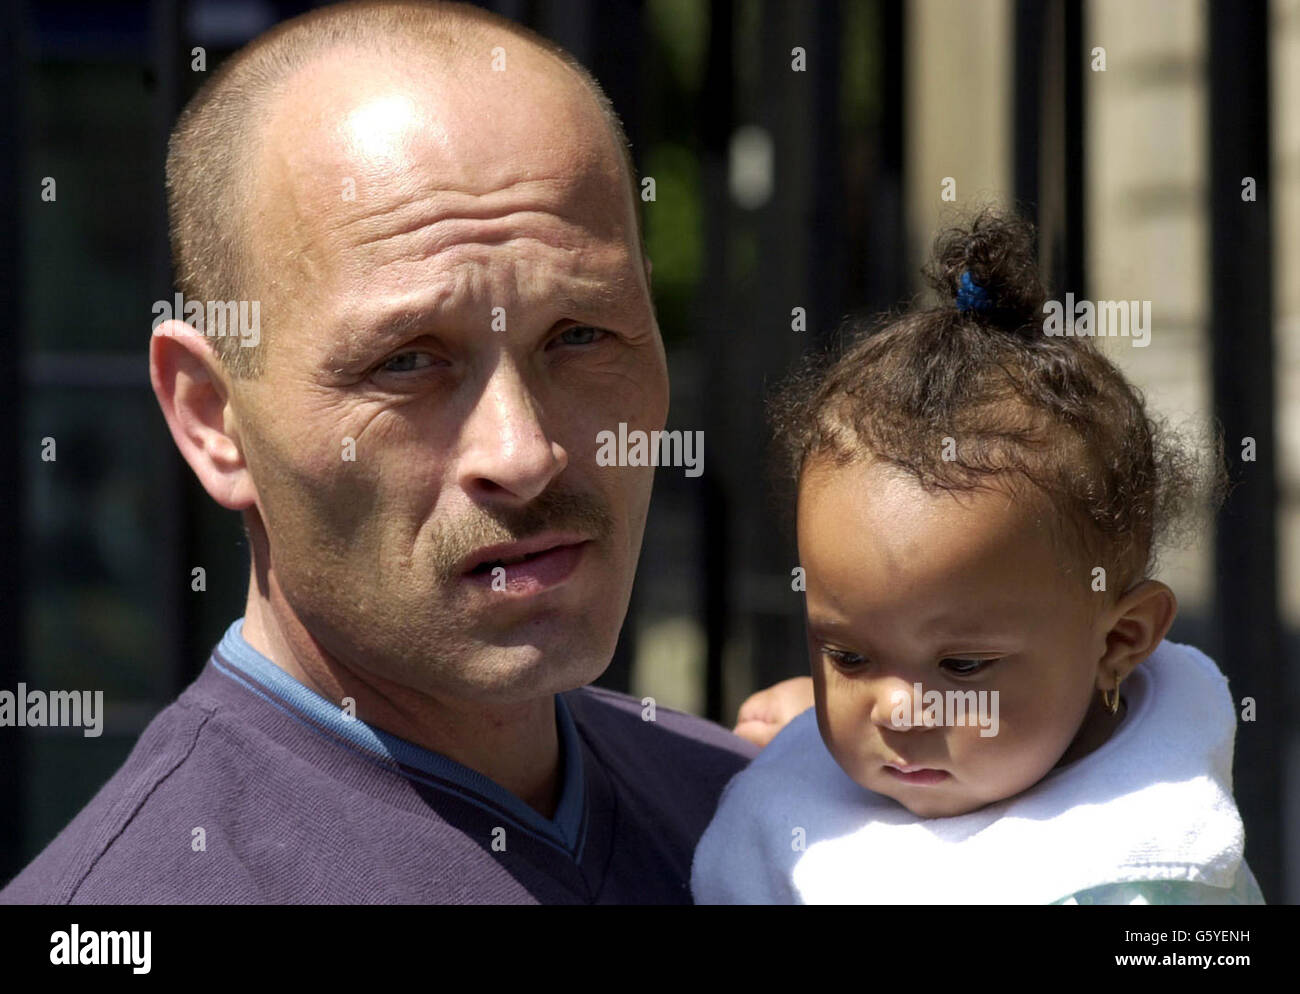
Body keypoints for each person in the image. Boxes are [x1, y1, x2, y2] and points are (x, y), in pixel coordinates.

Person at [0, 0, 784, 905]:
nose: (522, 453)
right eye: (407, 362)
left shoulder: (765, 827)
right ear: (212, 417)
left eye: (581, 335)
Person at [692, 210, 1266, 905]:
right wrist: (802, 739)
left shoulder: (1134, 876)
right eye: (848, 656)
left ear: (1120, 639)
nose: (899, 712)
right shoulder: (801, 785)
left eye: (962, 666)